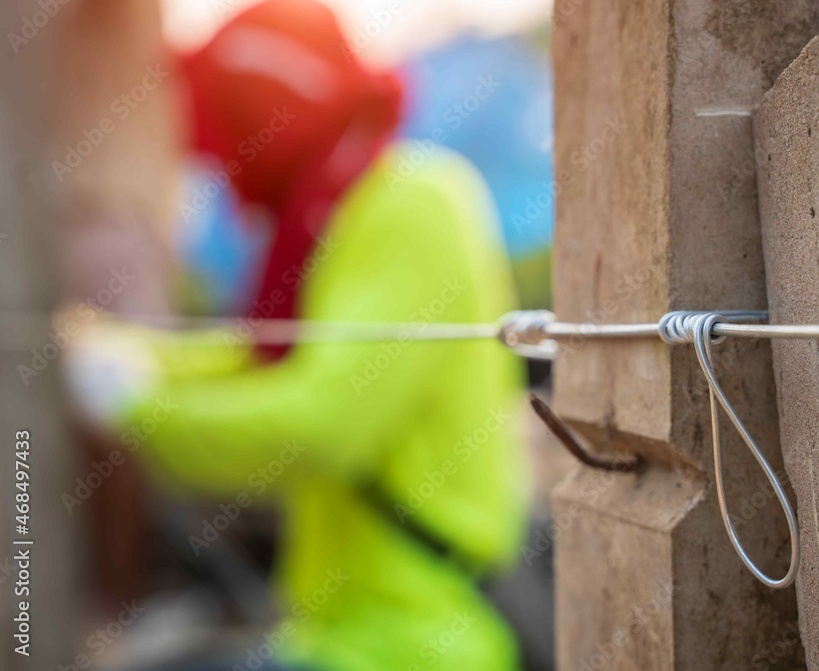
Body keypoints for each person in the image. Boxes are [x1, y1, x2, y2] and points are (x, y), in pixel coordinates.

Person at [71, 2, 530, 669]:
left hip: (408, 646)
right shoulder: (334, 217)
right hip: (330, 637)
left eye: (232, 129)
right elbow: (261, 357)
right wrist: (131, 358)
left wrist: (135, 409)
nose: (225, 167)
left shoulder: (412, 204)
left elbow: (322, 424)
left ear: (271, 114)